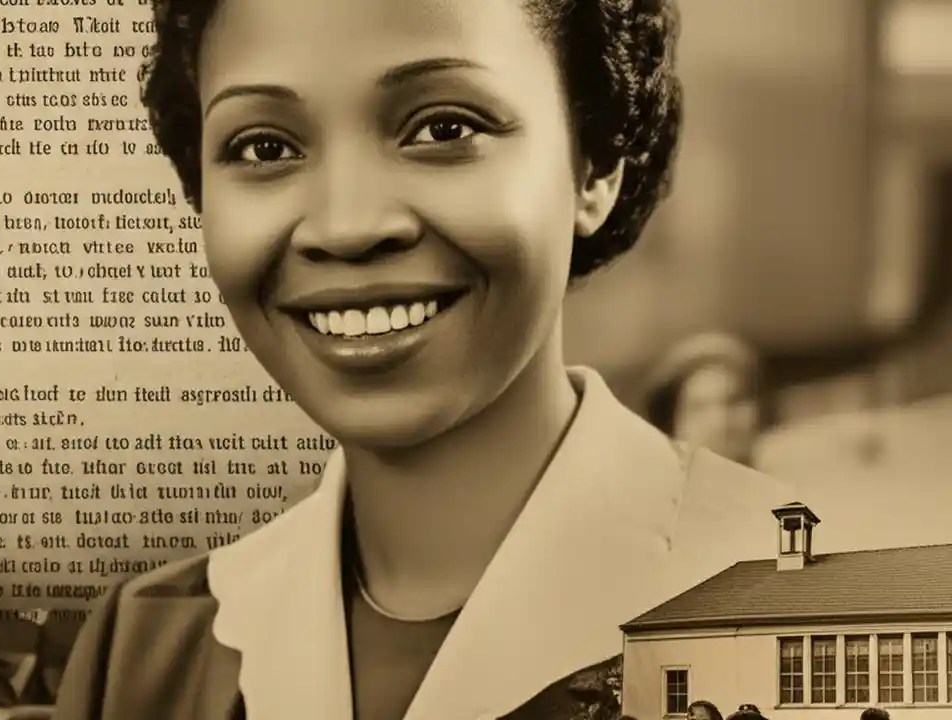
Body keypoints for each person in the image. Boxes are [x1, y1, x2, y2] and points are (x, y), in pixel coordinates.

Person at [56, 0, 793, 717]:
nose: (346, 227)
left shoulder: (800, 589)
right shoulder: (144, 646)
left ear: (595, 166)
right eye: (265, 147)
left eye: (444, 128)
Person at [643, 332, 766, 466]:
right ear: (672, 427)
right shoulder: (655, 485)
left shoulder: (783, 482)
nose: (720, 422)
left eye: (734, 402)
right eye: (698, 409)